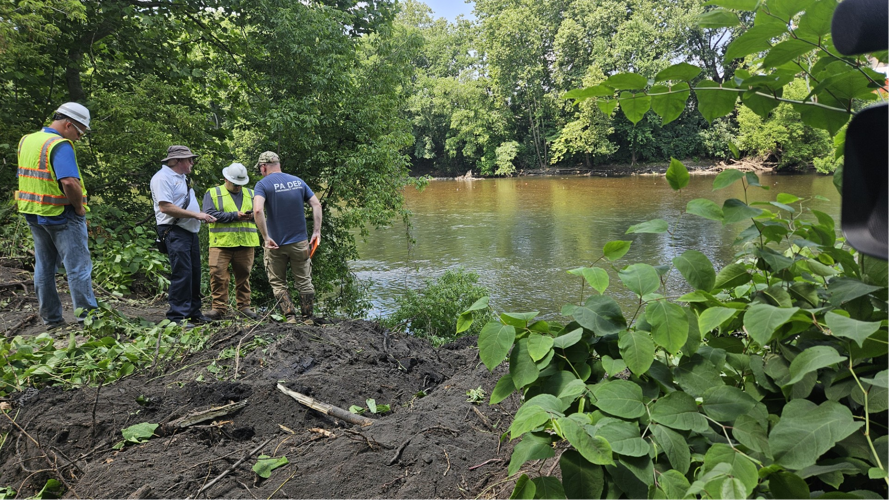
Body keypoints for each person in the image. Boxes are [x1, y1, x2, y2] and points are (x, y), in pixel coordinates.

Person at [15, 102, 98, 328]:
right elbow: (69, 182)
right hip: (62, 215)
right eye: (79, 132)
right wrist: (79, 207)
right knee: (78, 268)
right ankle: (88, 321)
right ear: (68, 124)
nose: (78, 138)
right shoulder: (59, 145)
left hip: (33, 213)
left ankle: (51, 320)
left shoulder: (27, 140)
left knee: (44, 266)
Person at [150, 145, 216, 327]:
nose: (192, 162)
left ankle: (194, 312)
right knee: (182, 273)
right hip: (175, 231)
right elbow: (165, 207)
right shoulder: (162, 178)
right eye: (189, 159)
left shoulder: (181, 178)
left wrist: (199, 215)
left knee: (194, 273)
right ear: (177, 161)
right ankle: (177, 316)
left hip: (189, 232)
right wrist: (197, 215)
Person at [253, 151, 322, 323]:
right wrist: (316, 232)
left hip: (275, 244)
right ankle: (308, 318)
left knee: (278, 283)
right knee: (304, 281)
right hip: (299, 242)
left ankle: (290, 318)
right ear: (278, 164)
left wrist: (266, 236)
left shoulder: (262, 185)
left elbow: (258, 210)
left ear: (263, 167)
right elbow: (316, 204)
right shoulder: (298, 181)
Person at [201, 163, 261, 320]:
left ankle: (244, 307)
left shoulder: (252, 194)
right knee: (218, 275)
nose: (238, 187)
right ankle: (219, 309)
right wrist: (234, 216)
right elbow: (209, 214)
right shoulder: (213, 193)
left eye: (240, 184)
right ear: (226, 178)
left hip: (246, 243)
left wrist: (251, 216)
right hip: (221, 243)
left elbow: (261, 215)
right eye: (235, 184)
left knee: (244, 276)